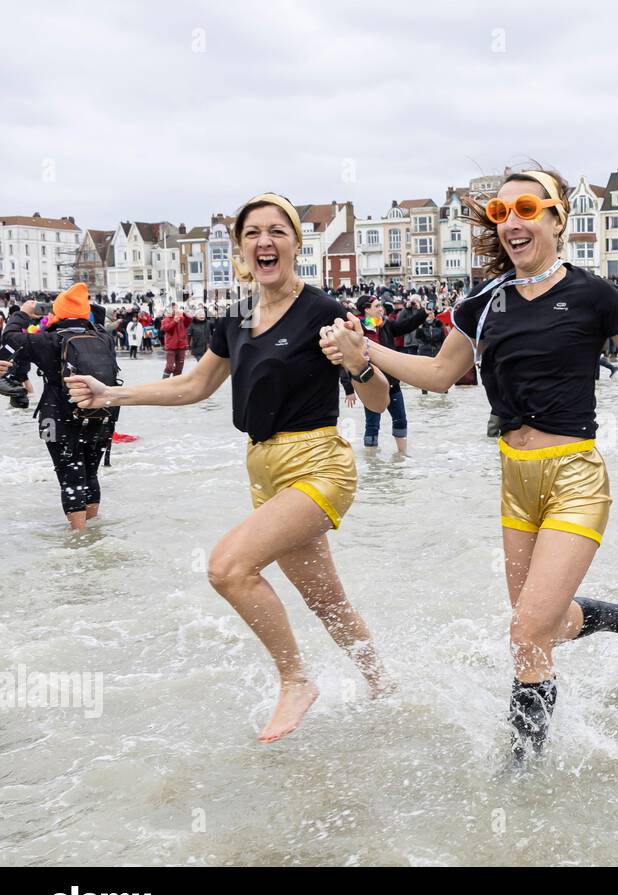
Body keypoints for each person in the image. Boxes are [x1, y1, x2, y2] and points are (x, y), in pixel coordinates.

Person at [318, 168, 618, 763]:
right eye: (501, 215)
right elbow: (438, 376)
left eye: (526, 208)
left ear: (558, 218)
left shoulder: (594, 294)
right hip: (513, 483)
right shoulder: (481, 303)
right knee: (544, 627)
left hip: (574, 477)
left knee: (526, 632)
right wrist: (365, 350)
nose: (512, 223)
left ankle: (522, 774)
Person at [66, 193, 395, 744]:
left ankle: (294, 680)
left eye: (276, 232)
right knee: (327, 601)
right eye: (252, 234)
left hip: (317, 463)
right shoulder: (237, 316)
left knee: (227, 568)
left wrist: (359, 361)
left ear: (295, 242)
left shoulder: (323, 312)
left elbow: (381, 401)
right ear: (241, 248)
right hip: (263, 468)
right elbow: (194, 385)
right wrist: (109, 393)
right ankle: (386, 688)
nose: (264, 242)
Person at [2, 283, 120, 530]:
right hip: (102, 415)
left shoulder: (48, 340)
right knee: (90, 474)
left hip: (58, 417)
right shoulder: (103, 338)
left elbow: (10, 336)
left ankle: (79, 539)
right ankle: (92, 528)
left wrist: (22, 313)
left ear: (58, 313)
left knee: (70, 478)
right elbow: (97, 317)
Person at [352, 293, 425, 454]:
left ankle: (401, 456)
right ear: (366, 309)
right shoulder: (357, 329)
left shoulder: (385, 325)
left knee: (400, 420)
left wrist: (422, 312)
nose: (381, 309)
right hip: (371, 384)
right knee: (372, 424)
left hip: (392, 382)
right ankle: (372, 463)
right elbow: (348, 361)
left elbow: (406, 326)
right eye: (377, 306)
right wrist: (349, 389)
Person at [161, 304, 192, 379]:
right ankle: (164, 381)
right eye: (173, 308)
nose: (175, 309)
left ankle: (176, 383)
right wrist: (174, 321)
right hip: (171, 347)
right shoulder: (166, 319)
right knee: (169, 367)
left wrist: (184, 313)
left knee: (179, 368)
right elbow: (166, 329)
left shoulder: (182, 318)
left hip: (181, 346)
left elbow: (189, 321)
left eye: (176, 308)